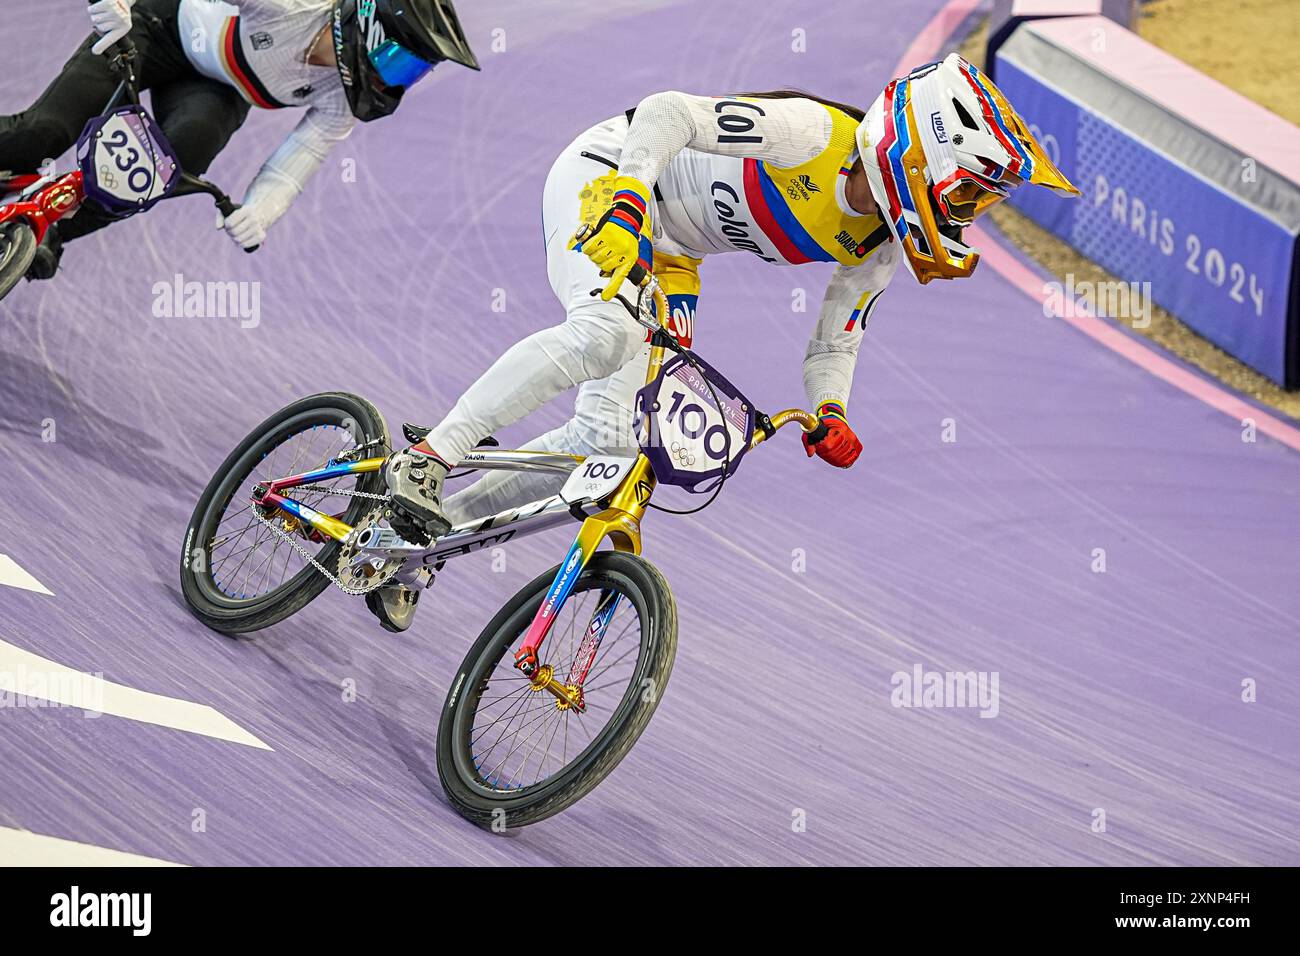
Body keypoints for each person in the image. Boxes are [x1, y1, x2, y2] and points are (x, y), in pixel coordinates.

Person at [366, 53, 1080, 632]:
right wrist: (625, 200)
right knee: (605, 333)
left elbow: (837, 340)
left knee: (611, 445)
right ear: (924, 155)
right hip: (613, 178)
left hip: (671, 257)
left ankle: (417, 542)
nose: (965, 217)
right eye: (968, 197)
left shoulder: (878, 243)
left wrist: (831, 411)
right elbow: (669, 112)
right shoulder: (810, 134)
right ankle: (430, 458)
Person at [0, 0, 478, 278]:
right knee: (42, 134)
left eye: (412, 73)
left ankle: (50, 230)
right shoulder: (293, 6)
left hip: (215, 87)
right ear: (368, 28)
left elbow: (301, 156)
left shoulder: (340, 98)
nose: (397, 81)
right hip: (153, 29)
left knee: (176, 158)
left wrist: (259, 211)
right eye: (399, 60)